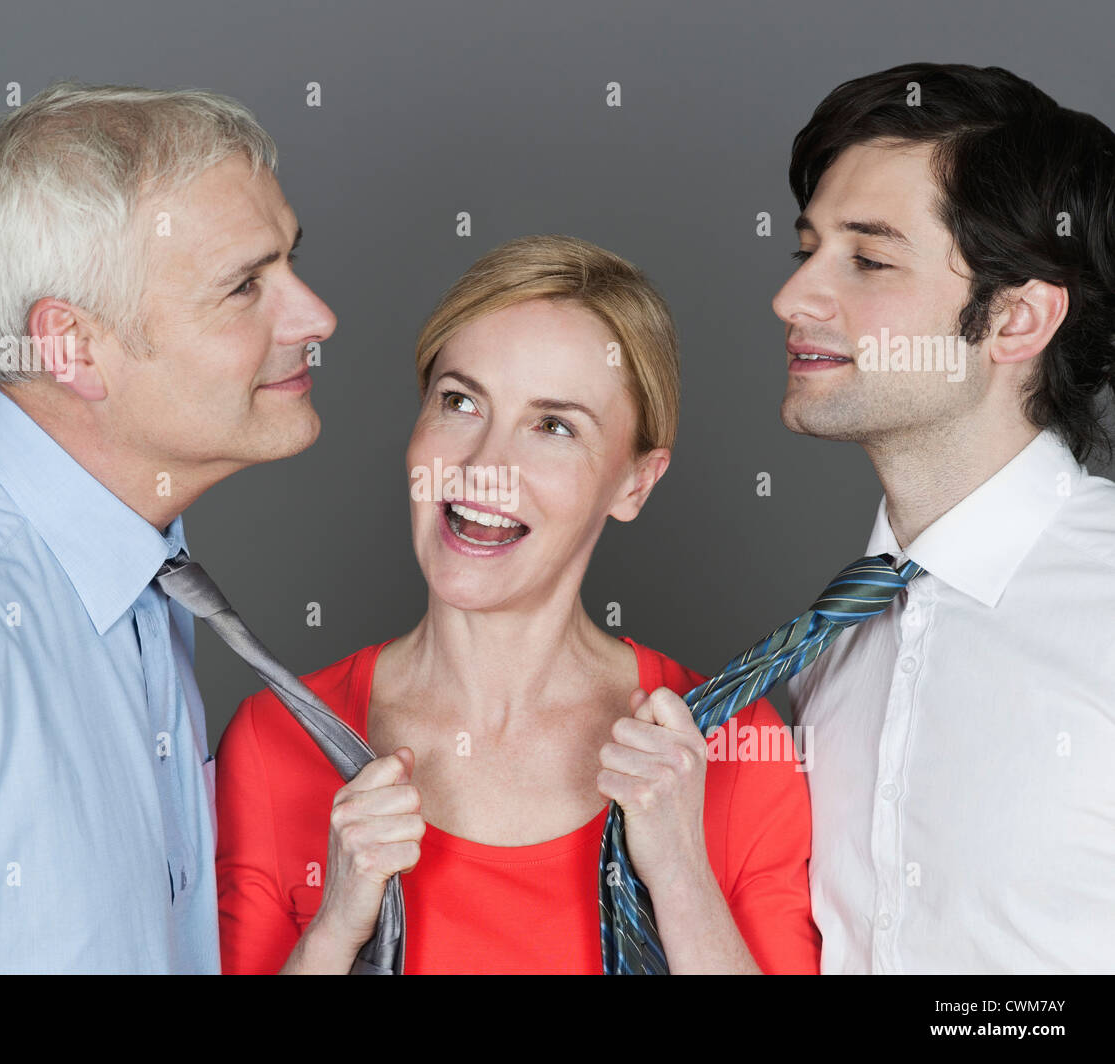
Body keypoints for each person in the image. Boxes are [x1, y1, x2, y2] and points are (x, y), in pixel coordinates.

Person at [0, 82, 336, 973]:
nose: (316, 317)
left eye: (288, 262)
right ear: (71, 347)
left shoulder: (139, 575)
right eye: (245, 284)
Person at [217, 235, 821, 974]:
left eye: (554, 425)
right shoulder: (275, 740)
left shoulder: (733, 746)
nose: (482, 468)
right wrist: (335, 929)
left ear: (636, 482)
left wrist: (683, 878)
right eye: (461, 402)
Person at [774, 62, 1115, 972]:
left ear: (1015, 320)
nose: (792, 298)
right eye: (805, 250)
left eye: (869, 259)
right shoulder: (832, 643)